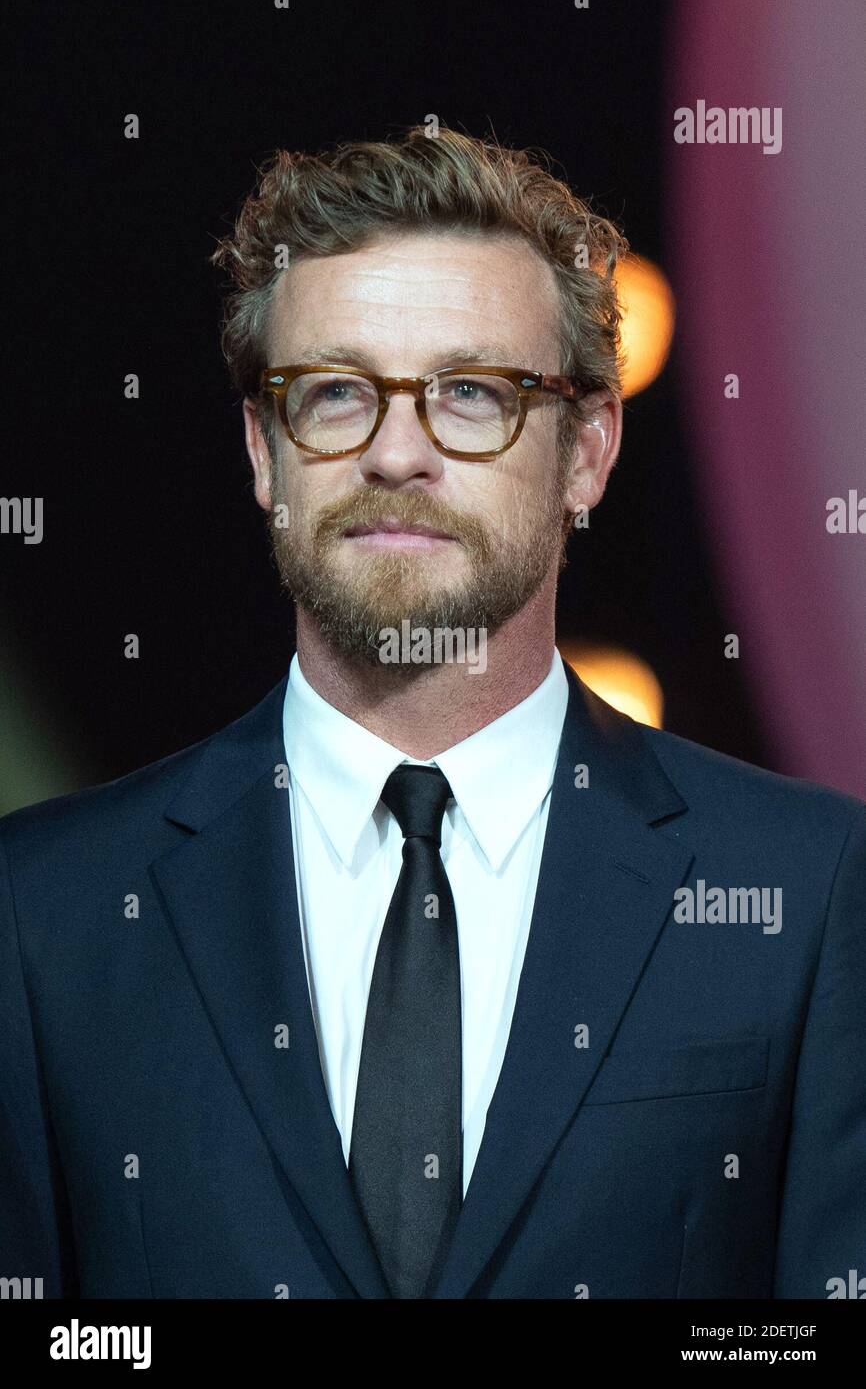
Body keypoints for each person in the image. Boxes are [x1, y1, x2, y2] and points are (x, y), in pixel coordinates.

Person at [1, 127, 864, 1300]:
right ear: (264, 450)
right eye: (336, 392)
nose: (394, 451)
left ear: (587, 452)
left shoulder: (806, 889)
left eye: (470, 393)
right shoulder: (43, 909)